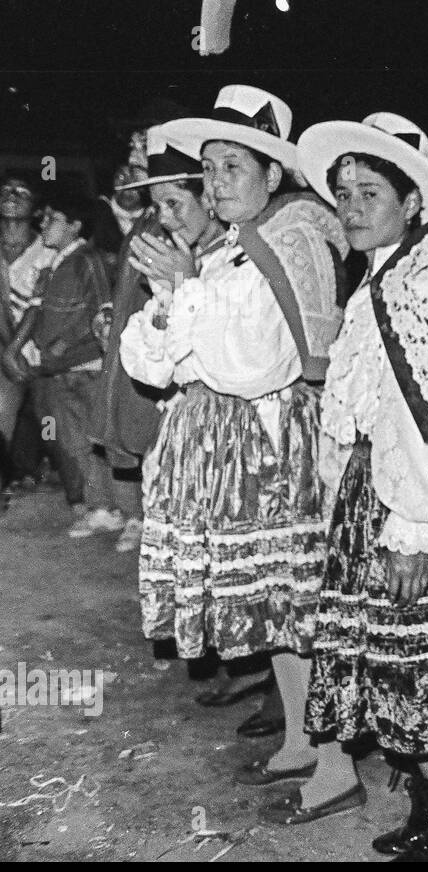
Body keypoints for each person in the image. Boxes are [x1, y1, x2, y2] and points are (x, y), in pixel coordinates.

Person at [259, 113, 428, 858]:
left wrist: (413, 532)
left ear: (413, 204)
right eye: (341, 191)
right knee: (399, 669)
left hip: (413, 505)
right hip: (377, 495)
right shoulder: (385, 278)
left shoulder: (420, 291)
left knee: (416, 671)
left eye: (369, 191)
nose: (350, 205)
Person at [119, 85, 347, 785]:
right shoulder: (224, 248)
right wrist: (171, 303)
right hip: (223, 442)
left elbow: (255, 363)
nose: (216, 185)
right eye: (210, 168)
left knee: (299, 603)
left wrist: (185, 293)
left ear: (272, 175)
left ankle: (337, 764)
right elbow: (154, 364)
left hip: (271, 444)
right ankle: (303, 736)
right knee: (272, 606)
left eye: (233, 169)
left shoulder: (291, 238)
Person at [93, 127, 213, 554]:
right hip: (142, 341)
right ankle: (141, 516)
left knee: (149, 429)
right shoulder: (148, 218)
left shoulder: (199, 235)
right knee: (132, 427)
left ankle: (147, 517)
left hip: (186, 373)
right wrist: (112, 313)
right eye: (133, 143)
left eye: (142, 142)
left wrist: (180, 285)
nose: (134, 150)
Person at [3, 188, 118, 535]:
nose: (44, 223)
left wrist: (66, 341)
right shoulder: (52, 266)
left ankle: (108, 508)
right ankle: (89, 503)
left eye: (53, 218)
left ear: (74, 226)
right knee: (68, 440)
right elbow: (39, 313)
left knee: (90, 439)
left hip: (84, 370)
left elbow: (103, 310)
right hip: (58, 371)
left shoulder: (86, 260)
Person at [0, 172, 56, 488]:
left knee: (54, 425)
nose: (12, 193)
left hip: (42, 349)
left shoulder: (47, 247)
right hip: (2, 345)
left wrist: (16, 350)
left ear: (36, 208)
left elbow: (41, 307)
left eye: (22, 190)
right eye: (6, 189)